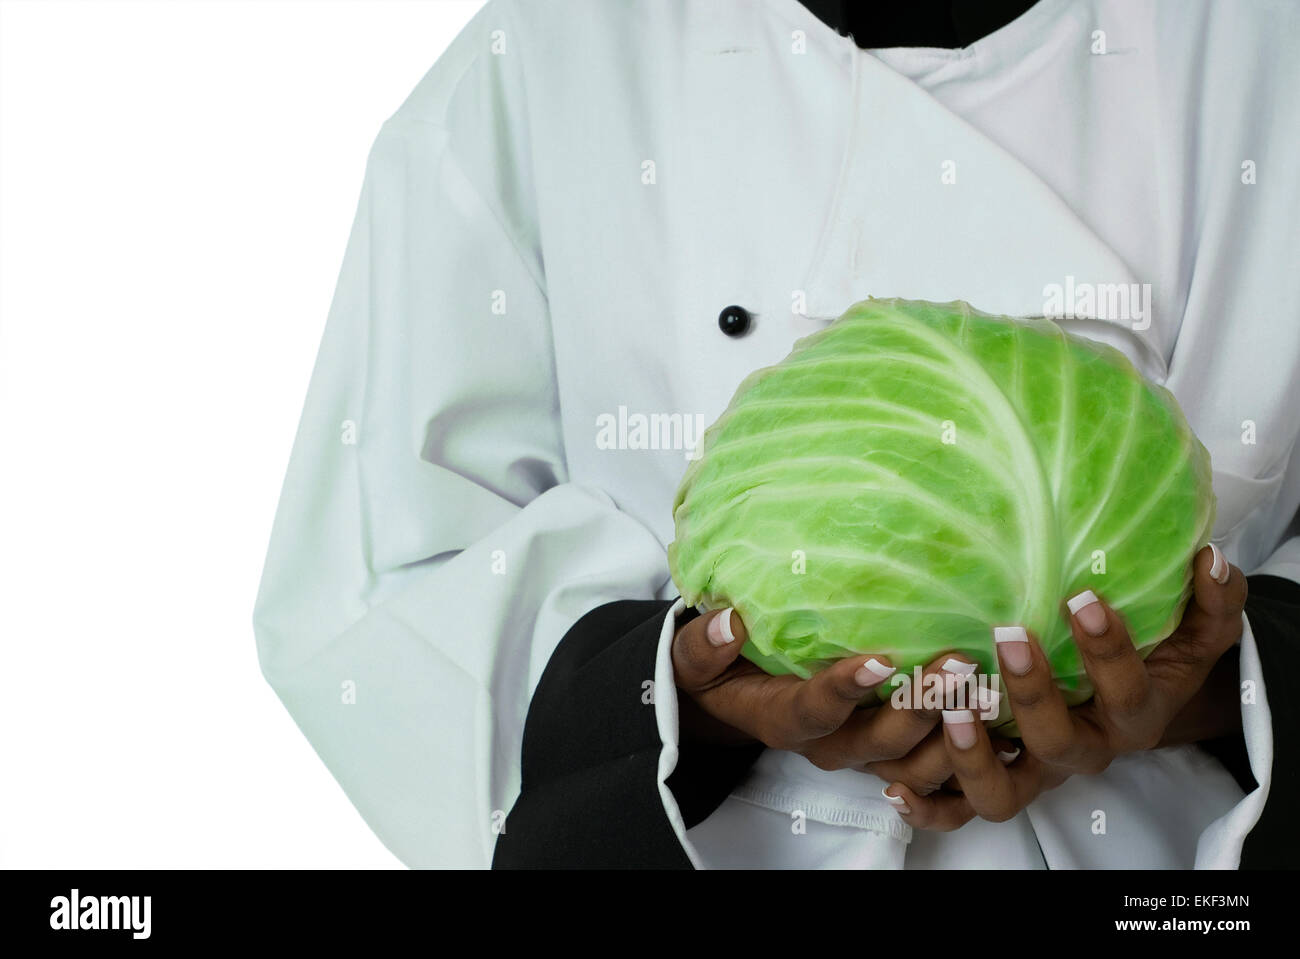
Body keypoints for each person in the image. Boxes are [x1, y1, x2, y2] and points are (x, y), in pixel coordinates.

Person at [253, 0, 1300, 868]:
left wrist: (1221, 690)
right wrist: (675, 700)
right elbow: (377, 571)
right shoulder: (553, 51)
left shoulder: (1265, 47)